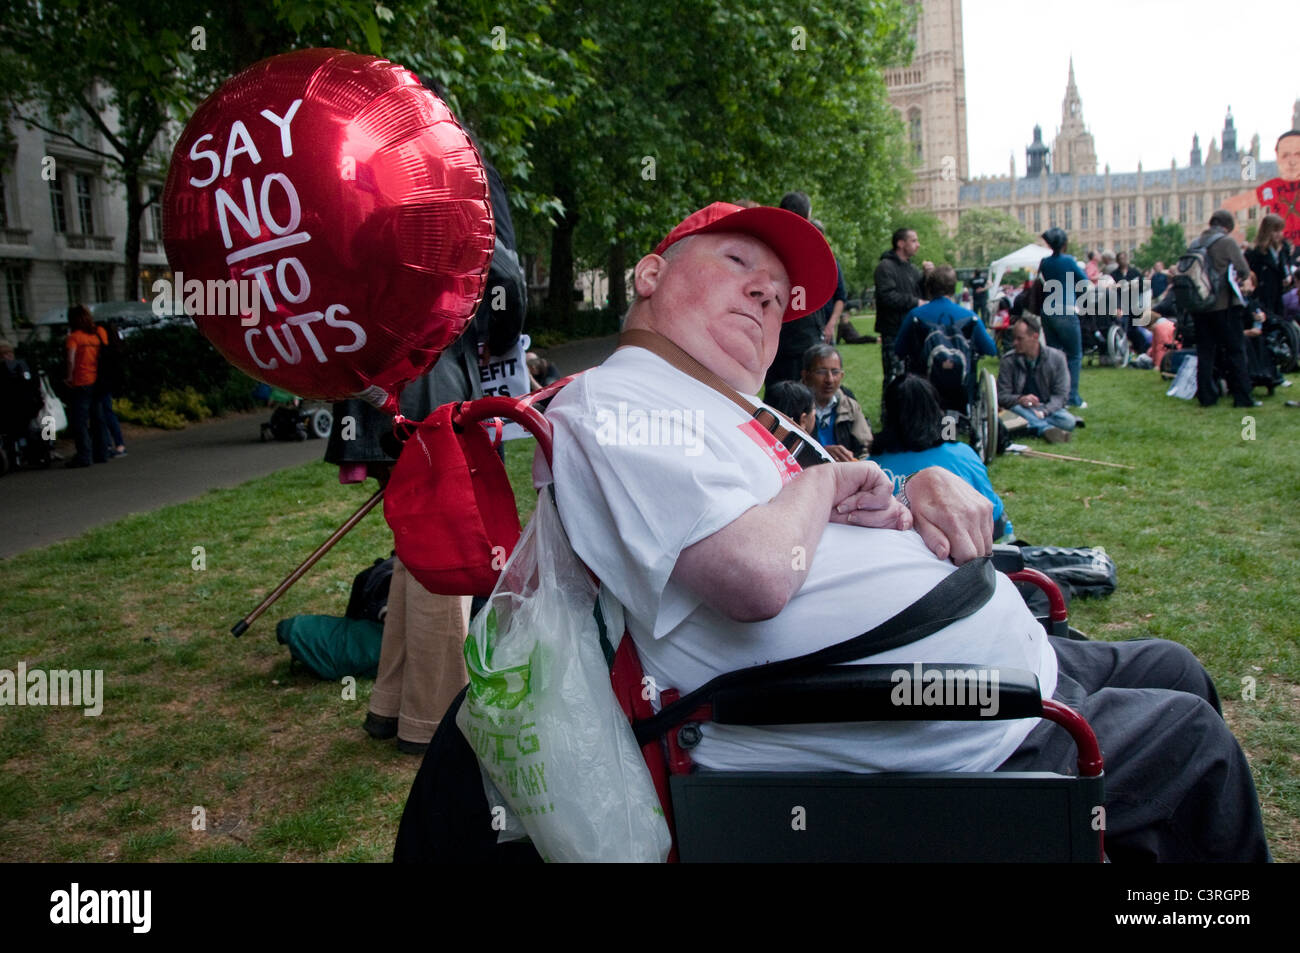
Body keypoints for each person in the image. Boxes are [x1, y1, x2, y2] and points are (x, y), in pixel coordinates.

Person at [545, 201, 1269, 862]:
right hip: (917, 717)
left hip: (980, 671)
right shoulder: (620, 400)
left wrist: (911, 483)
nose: (769, 292)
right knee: (1199, 749)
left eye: (780, 290)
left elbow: (832, 506)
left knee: (1177, 667)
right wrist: (826, 482)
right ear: (650, 274)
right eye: (739, 263)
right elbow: (757, 571)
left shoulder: (721, 409)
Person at [870, 374, 1010, 540]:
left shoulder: (871, 468)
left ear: (888, 414)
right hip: (966, 550)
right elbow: (992, 514)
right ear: (935, 410)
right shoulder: (963, 454)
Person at [763, 195, 846, 388]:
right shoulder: (815, 251)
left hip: (777, 336)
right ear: (807, 216)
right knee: (805, 396)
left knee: (779, 397)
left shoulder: (768, 246)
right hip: (802, 336)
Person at [894, 264, 998, 409]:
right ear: (954, 288)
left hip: (924, 386)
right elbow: (991, 349)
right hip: (961, 385)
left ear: (929, 288)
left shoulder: (915, 315)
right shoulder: (970, 317)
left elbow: (899, 350)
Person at [1190, 210, 1256, 408]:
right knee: (1235, 351)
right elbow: (1243, 270)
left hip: (1200, 306)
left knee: (1205, 353)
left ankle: (1206, 396)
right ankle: (1242, 397)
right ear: (1227, 227)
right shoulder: (1227, 242)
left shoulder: (1195, 243)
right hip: (1224, 305)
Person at [873, 227, 933, 402]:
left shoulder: (912, 270)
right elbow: (886, 297)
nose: (918, 245)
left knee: (913, 376)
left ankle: (910, 415)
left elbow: (925, 294)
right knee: (894, 376)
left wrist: (928, 275)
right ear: (900, 243)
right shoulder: (885, 267)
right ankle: (890, 417)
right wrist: (916, 303)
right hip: (893, 332)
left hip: (912, 332)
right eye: (913, 240)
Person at [996, 314, 1077, 443]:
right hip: (1019, 408)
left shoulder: (1057, 358)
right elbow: (1001, 395)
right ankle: (1045, 429)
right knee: (1014, 412)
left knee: (1068, 421)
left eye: (1019, 339)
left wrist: (1045, 412)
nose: (1014, 343)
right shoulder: (1008, 361)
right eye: (1014, 338)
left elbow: (1061, 396)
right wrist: (1020, 399)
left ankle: (1030, 426)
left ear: (1035, 337)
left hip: (1046, 409)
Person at [1037, 227, 1089, 408]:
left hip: (1047, 311)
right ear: (1065, 243)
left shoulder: (1044, 262)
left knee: (1054, 355)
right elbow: (1084, 282)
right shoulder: (1069, 261)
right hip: (1065, 309)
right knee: (1074, 355)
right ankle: (1072, 397)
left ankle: (1054, 395)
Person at [799, 343, 872, 461]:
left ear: (842, 375)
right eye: (821, 372)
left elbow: (866, 449)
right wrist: (822, 453)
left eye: (835, 372)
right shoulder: (793, 404)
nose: (829, 379)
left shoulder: (849, 406)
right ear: (806, 376)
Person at [63, 304, 110, 468]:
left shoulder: (74, 337)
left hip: (80, 381)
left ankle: (84, 455)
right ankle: (102, 452)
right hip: (97, 380)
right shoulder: (98, 334)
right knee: (98, 418)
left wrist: (69, 377)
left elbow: (71, 359)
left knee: (80, 421)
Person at [1244, 213, 1294, 319]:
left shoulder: (1284, 248)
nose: (1279, 234)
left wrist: (1289, 278)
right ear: (1267, 231)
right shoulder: (1255, 252)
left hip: (1279, 295)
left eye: (1280, 230)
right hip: (1263, 297)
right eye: (1275, 231)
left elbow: (1287, 267)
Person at [94, 320, 127, 457]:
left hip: (100, 382)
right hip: (106, 382)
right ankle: (115, 444)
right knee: (106, 412)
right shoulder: (115, 345)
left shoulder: (104, 345)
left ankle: (110, 444)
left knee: (103, 413)